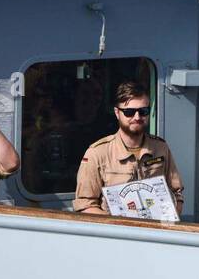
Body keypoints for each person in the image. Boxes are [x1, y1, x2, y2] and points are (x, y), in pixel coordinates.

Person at [74, 81, 184, 216]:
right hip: (116, 234)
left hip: (155, 232)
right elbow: (85, 205)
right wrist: (119, 224)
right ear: (117, 113)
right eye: (129, 112)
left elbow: (177, 193)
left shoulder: (160, 148)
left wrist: (169, 221)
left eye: (143, 111)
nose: (137, 117)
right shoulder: (97, 153)